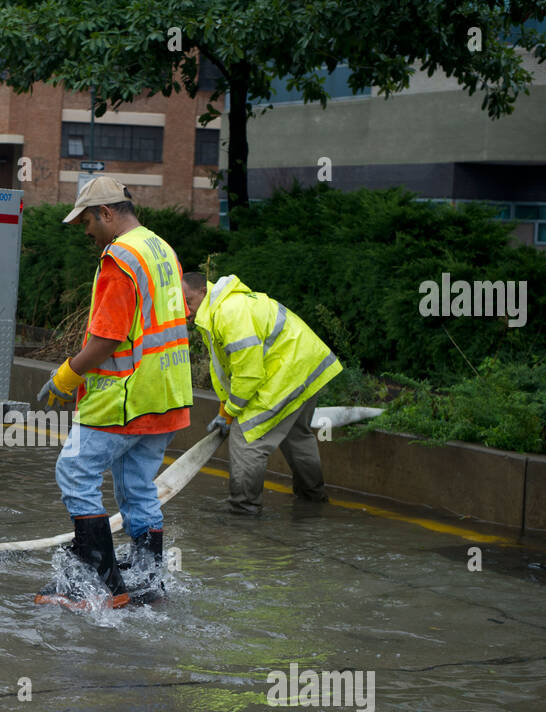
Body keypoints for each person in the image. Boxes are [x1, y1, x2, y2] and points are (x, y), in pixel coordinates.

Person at [35, 177, 193, 609]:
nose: (86, 231)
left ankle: (100, 583)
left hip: (125, 398)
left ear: (106, 213)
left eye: (87, 220)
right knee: (138, 489)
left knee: (74, 472)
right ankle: (147, 582)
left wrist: (67, 376)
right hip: (168, 395)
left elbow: (107, 337)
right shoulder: (161, 249)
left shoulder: (119, 258)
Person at [181, 272, 342, 516]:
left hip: (287, 374)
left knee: (246, 438)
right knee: (296, 435)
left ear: (203, 291)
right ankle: (312, 500)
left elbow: (247, 374)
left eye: (188, 301)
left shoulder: (228, 312)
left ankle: (243, 510)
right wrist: (224, 412)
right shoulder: (219, 309)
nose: (185, 309)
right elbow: (228, 371)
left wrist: (232, 413)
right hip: (305, 368)